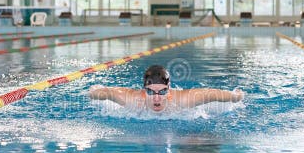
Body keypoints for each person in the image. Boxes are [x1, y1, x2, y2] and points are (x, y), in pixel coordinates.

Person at [89, 64, 244, 113]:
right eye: (151, 92)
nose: (157, 98)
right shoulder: (132, 99)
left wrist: (235, 96)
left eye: (162, 91)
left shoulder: (182, 100)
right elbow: (105, 92)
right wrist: (94, 91)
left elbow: (212, 94)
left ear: (169, 89)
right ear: (144, 90)